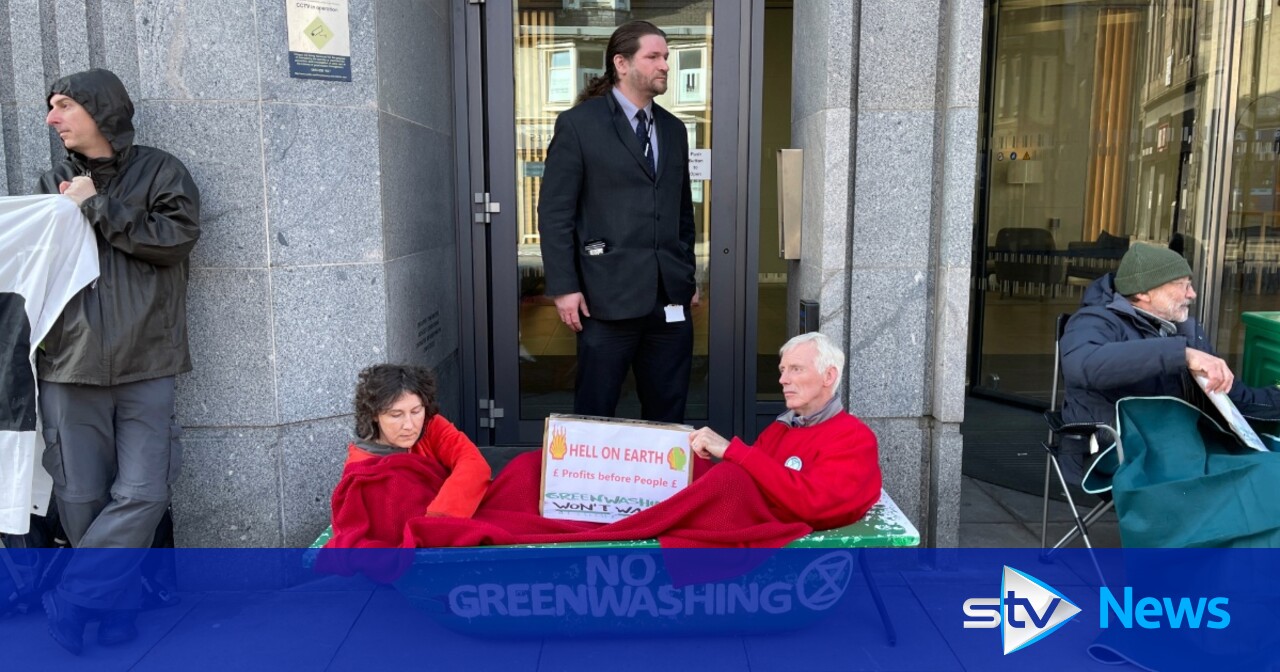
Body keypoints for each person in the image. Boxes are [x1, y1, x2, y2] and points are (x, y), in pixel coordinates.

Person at [37, 68, 200, 654]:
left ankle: (76, 595)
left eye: (62, 106)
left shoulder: (162, 170)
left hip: (147, 360)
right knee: (79, 495)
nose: (52, 119)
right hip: (69, 363)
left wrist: (96, 206)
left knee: (144, 491)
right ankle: (115, 605)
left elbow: (174, 240)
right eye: (50, 109)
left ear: (99, 110)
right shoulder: (51, 177)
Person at [538, 20, 697, 423]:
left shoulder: (674, 130)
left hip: (668, 300)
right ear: (621, 63)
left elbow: (682, 214)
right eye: (654, 56)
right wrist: (565, 287)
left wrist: (686, 277)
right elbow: (556, 214)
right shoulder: (579, 125)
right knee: (596, 409)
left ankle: (666, 487)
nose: (665, 65)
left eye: (667, 57)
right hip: (603, 299)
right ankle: (589, 485)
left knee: (668, 409)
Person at [1060, 243, 1280, 479]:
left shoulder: (1184, 330)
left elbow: (1234, 399)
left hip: (1180, 445)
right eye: (1183, 285)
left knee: (1267, 471)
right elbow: (1084, 365)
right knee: (1252, 482)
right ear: (1143, 292)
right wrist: (1182, 354)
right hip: (1121, 453)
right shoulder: (1096, 320)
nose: (1192, 294)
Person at [686, 333, 881, 531]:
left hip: (806, 554)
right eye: (782, 370)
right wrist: (691, 460)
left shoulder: (854, 437)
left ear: (828, 376)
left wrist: (732, 450)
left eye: (796, 369)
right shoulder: (780, 428)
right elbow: (743, 485)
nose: (782, 379)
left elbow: (815, 506)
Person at [346, 364, 490, 518]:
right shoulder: (361, 466)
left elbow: (473, 462)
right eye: (396, 415)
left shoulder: (430, 425)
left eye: (416, 411)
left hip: (446, 521)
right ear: (374, 415)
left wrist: (439, 518)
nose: (409, 425)